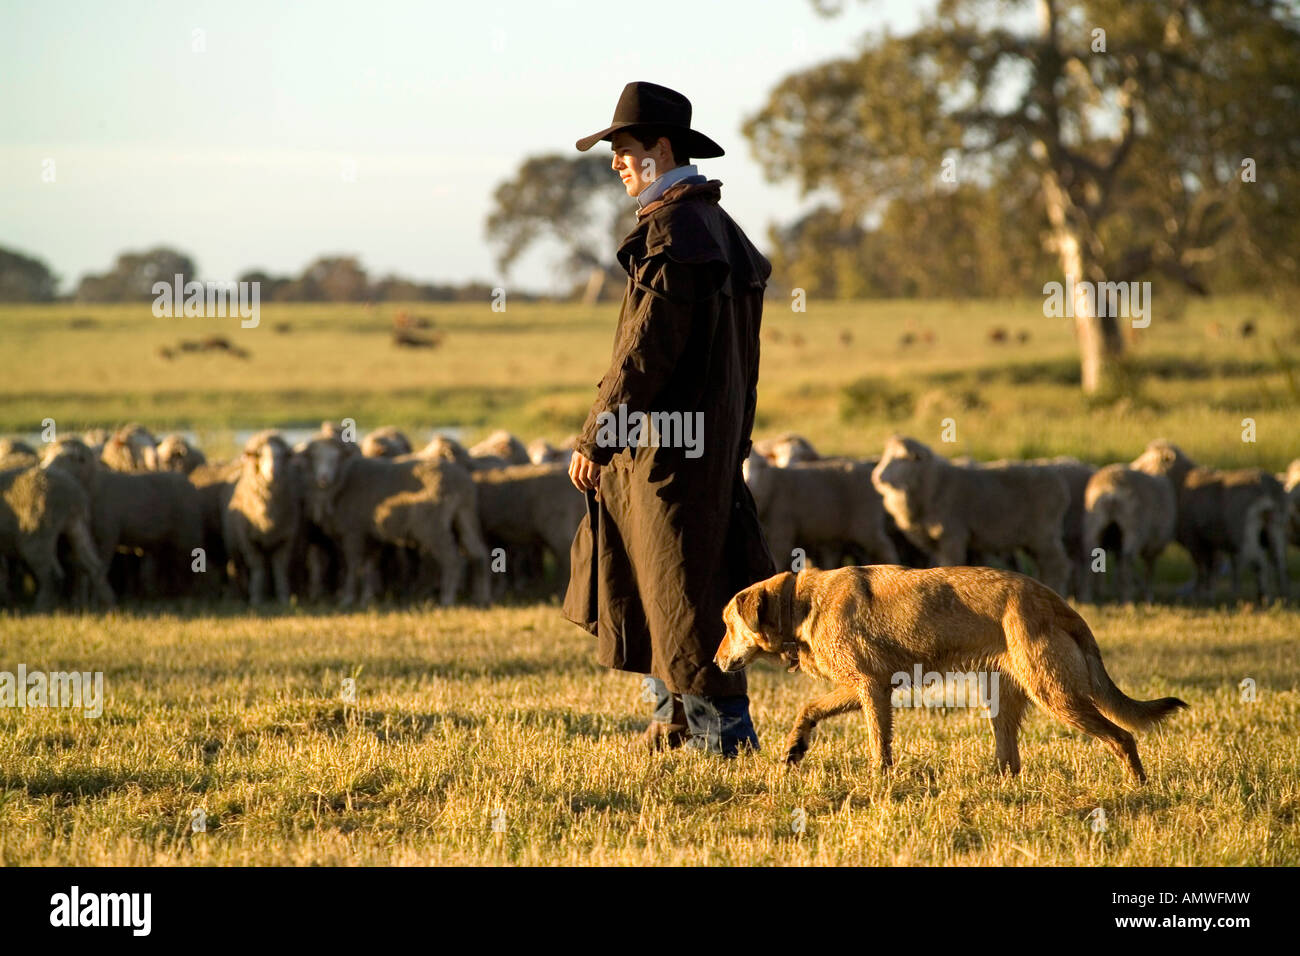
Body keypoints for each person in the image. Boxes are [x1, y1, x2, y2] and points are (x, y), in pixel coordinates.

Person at [562, 81, 776, 757]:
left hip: (668, 460)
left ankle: (724, 747)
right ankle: (671, 726)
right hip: (694, 452)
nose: (618, 163)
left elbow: (643, 351)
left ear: (660, 148)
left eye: (624, 150)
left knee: (684, 590)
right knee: (669, 585)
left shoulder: (678, 231)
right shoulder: (714, 227)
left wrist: (598, 436)